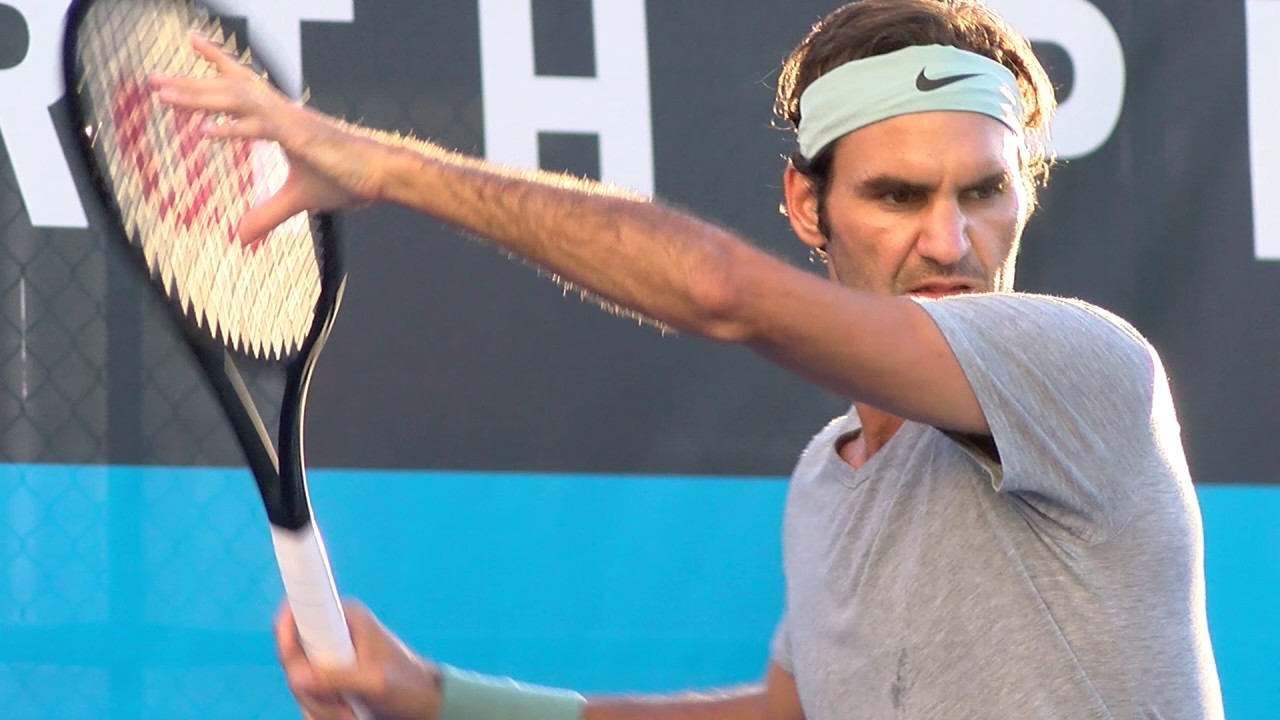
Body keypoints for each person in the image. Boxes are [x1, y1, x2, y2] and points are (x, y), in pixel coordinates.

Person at [154, 1, 1225, 718]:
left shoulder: (1085, 367)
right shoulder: (828, 479)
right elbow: (781, 716)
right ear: (807, 205)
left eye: (982, 191)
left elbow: (720, 290)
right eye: (895, 196)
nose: (948, 241)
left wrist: (383, 166)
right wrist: (440, 697)